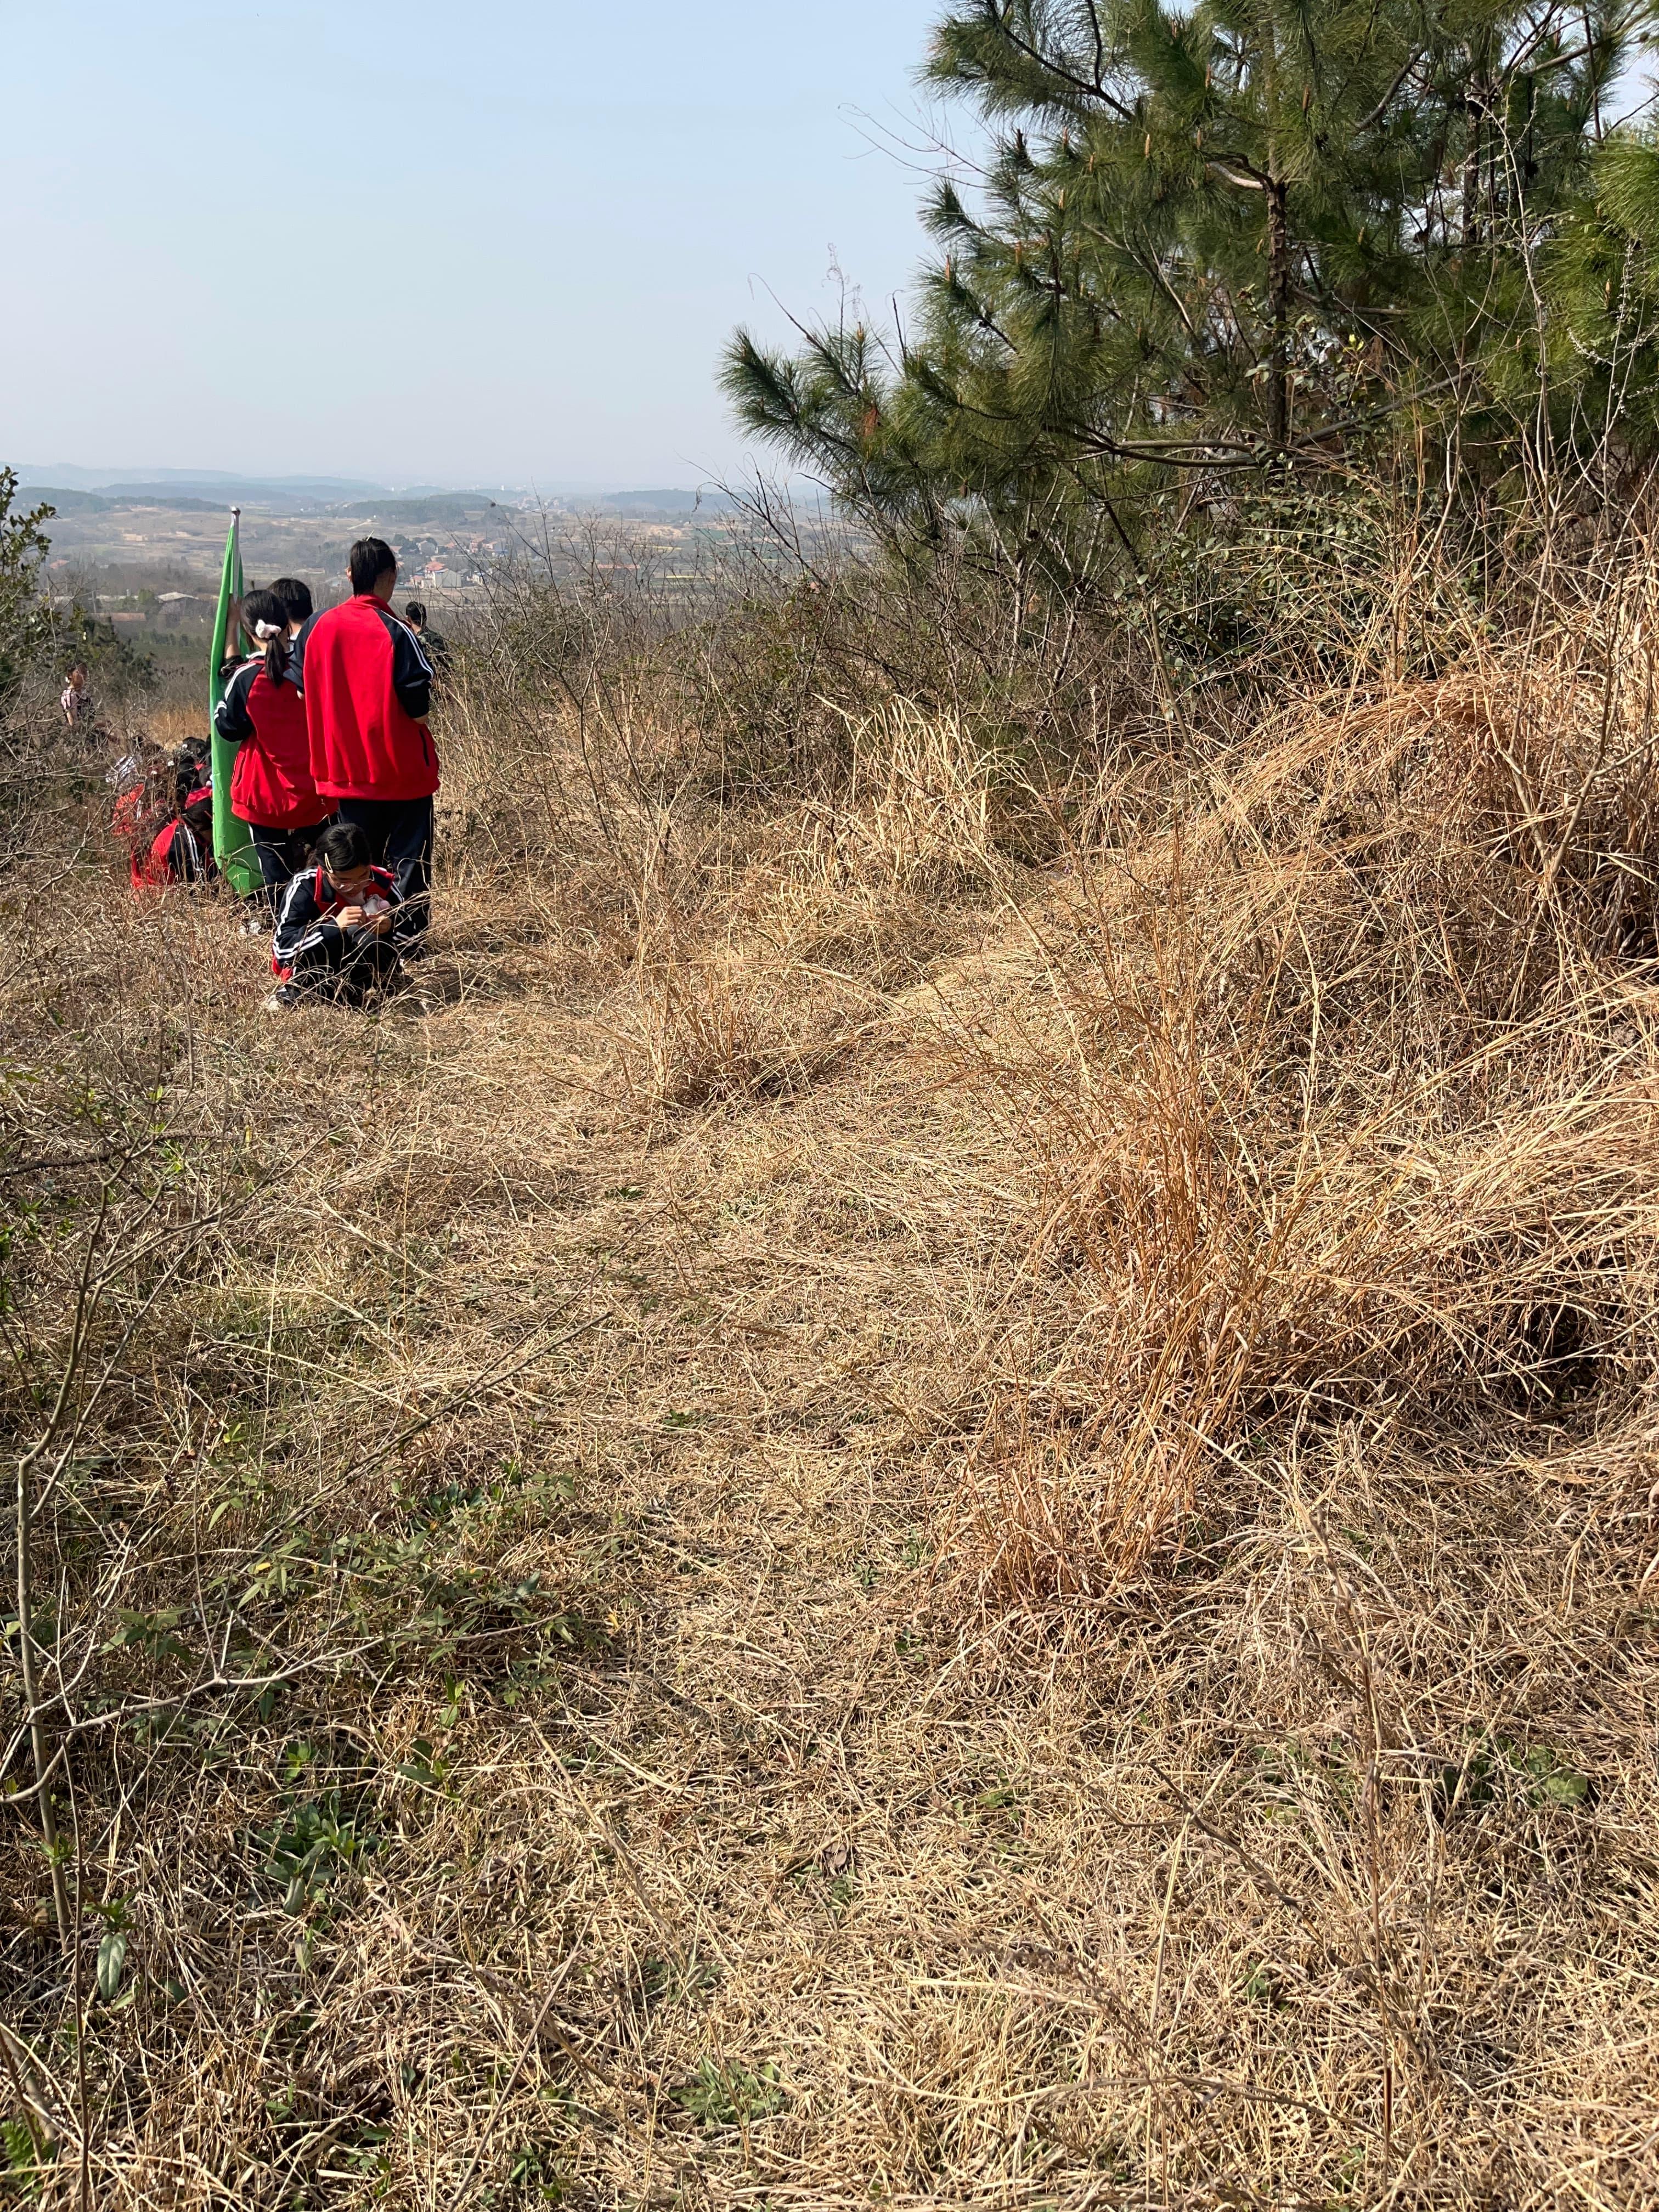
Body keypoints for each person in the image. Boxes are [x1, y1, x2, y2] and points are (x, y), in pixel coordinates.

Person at [293, 537, 438, 951]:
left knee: (356, 868)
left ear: (349, 575)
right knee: (409, 864)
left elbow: (301, 691)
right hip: (402, 772)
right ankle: (408, 943)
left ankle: (356, 944)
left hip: (343, 772)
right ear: (390, 575)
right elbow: (419, 710)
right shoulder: (397, 631)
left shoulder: (318, 628)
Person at [213, 585, 330, 907]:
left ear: (251, 633)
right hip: (316, 790)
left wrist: (230, 627)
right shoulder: (309, 667)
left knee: (275, 876)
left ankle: (286, 926)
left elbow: (227, 726)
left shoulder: (247, 679)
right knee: (324, 868)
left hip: (265, 796)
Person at [268, 819, 405, 1009]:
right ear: (324, 870)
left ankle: (384, 986)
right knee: (344, 937)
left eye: (363, 877)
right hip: (319, 971)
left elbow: (413, 933)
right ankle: (300, 994)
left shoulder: (381, 881)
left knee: (368, 938)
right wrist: (333, 927)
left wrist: (390, 927)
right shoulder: (305, 886)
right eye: (343, 881)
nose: (354, 887)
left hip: (362, 974)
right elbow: (282, 952)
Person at [134, 779, 216, 890]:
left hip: (146, 890)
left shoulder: (175, 824)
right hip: (162, 895)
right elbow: (201, 887)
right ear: (206, 824)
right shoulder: (185, 840)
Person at [403, 600, 449, 674]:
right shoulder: (438, 638)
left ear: (408, 619)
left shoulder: (412, 643)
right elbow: (449, 666)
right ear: (426, 618)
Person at [60, 664, 96, 735]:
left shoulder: (85, 696)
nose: (83, 676)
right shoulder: (70, 695)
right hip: (81, 736)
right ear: (70, 675)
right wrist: (100, 724)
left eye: (84, 672)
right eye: (79, 672)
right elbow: (74, 725)